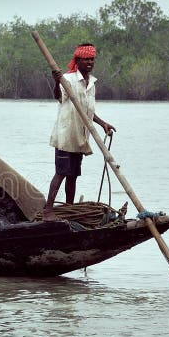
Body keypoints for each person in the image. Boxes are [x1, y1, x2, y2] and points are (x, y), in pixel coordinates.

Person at [43, 43, 115, 217]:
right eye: (86, 59)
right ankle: (48, 210)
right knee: (61, 173)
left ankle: (69, 209)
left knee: (73, 175)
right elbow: (59, 97)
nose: (90, 62)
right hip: (65, 135)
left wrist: (102, 123)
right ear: (78, 61)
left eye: (92, 59)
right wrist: (56, 81)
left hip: (80, 137)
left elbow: (87, 111)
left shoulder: (92, 83)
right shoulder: (68, 79)